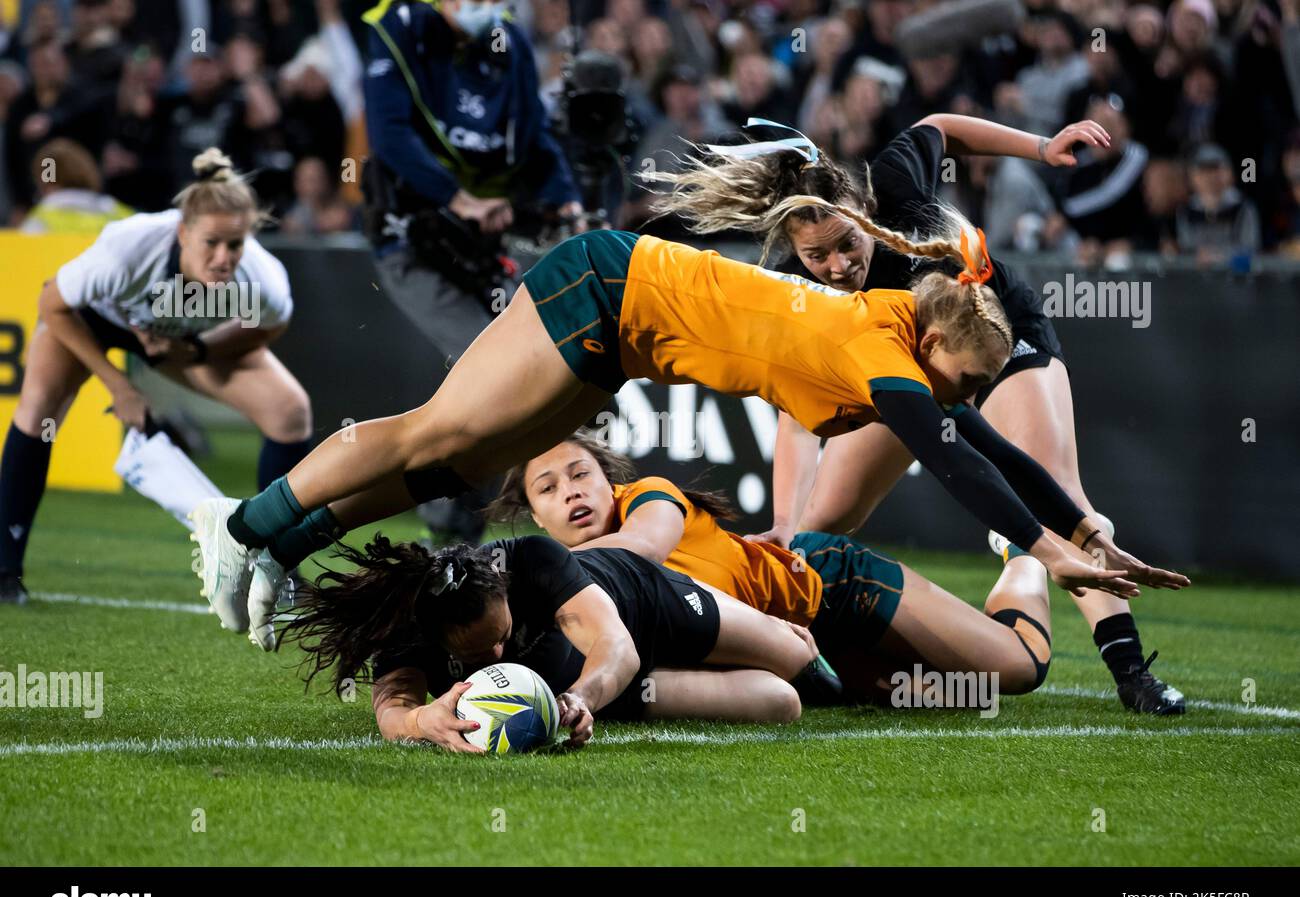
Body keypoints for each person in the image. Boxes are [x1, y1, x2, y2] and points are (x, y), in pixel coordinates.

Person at [189, 203, 1189, 650]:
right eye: (962, 381)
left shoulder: (910, 348)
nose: (964, 400)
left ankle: (287, 540)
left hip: (627, 332)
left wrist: (1082, 530)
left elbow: (990, 447)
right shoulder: (882, 353)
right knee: (433, 432)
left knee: (464, 464)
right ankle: (238, 526)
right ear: (931, 341)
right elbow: (956, 457)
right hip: (610, 285)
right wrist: (1049, 552)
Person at [647, 114, 1185, 715]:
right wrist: (783, 519)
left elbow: (940, 127)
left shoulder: (893, 185)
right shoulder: (798, 288)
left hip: (992, 346)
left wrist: (1040, 146)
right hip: (898, 377)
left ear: (860, 209)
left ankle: (1131, 670)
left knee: (1054, 490)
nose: (838, 266)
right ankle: (808, 661)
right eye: (815, 255)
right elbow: (800, 416)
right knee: (812, 535)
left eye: (848, 243)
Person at [489, 430, 1073, 706]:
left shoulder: (646, 496)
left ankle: (1022, 554)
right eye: (548, 487)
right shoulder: (571, 606)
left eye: (580, 474)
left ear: (607, 479)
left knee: (1020, 669)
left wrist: (537, 568)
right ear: (536, 515)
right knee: (963, 698)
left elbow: (639, 550)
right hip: (804, 658)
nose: (571, 492)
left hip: (830, 588)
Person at [0, 148, 311, 605]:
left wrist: (199, 349)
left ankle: (279, 569)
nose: (225, 258)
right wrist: (120, 385)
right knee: (40, 409)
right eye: (211, 243)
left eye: (235, 244)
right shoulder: (131, 245)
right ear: (182, 231)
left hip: (173, 338)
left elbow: (272, 323)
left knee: (290, 411)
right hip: (91, 320)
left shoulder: (259, 275)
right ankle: (5, 568)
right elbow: (52, 302)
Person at [360, 0, 584, 543]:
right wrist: (455, 197)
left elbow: (533, 134)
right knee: (487, 368)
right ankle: (446, 521)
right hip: (411, 239)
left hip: (483, 245)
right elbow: (389, 134)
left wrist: (565, 198)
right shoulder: (398, 28)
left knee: (529, 363)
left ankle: (469, 520)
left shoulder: (510, 43)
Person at [283, 533, 824, 753]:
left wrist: (586, 694)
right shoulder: (407, 626)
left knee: (796, 655)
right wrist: (424, 722)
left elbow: (618, 646)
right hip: (601, 690)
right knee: (781, 703)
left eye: (501, 637)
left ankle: (704, 586)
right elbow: (393, 709)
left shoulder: (534, 560)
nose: (499, 655)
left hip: (638, 602)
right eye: (476, 654)